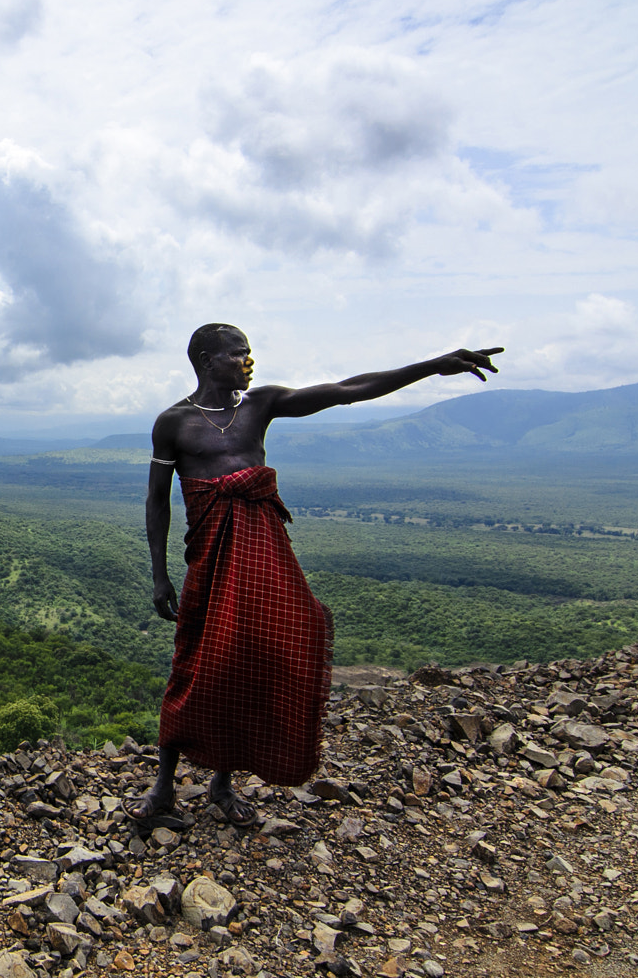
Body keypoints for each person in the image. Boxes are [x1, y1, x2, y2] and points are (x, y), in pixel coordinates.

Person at [133, 324, 503, 826]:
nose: (248, 360)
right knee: (198, 665)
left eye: (248, 352)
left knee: (256, 659)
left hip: (264, 558)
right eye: (237, 353)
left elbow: (348, 389)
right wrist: (159, 576)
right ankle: (161, 793)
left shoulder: (259, 406)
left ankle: (222, 784)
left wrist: (433, 365)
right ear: (205, 359)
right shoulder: (173, 422)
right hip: (211, 563)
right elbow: (156, 502)